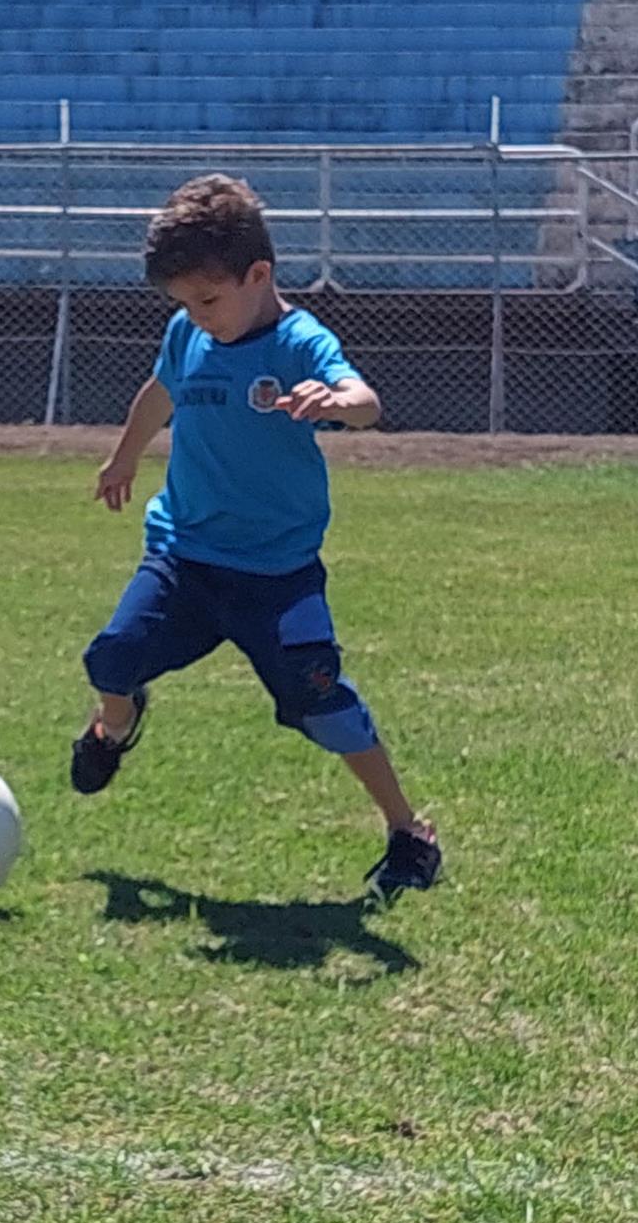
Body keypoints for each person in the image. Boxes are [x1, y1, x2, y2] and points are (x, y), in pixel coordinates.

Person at [71, 173, 441, 902]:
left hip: (276, 575)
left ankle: (409, 833)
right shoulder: (189, 333)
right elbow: (162, 389)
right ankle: (114, 727)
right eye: (184, 305)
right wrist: (124, 456)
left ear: (259, 274)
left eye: (208, 300)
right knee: (113, 657)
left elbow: (365, 402)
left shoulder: (301, 341)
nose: (197, 318)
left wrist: (338, 402)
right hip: (184, 557)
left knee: (322, 700)